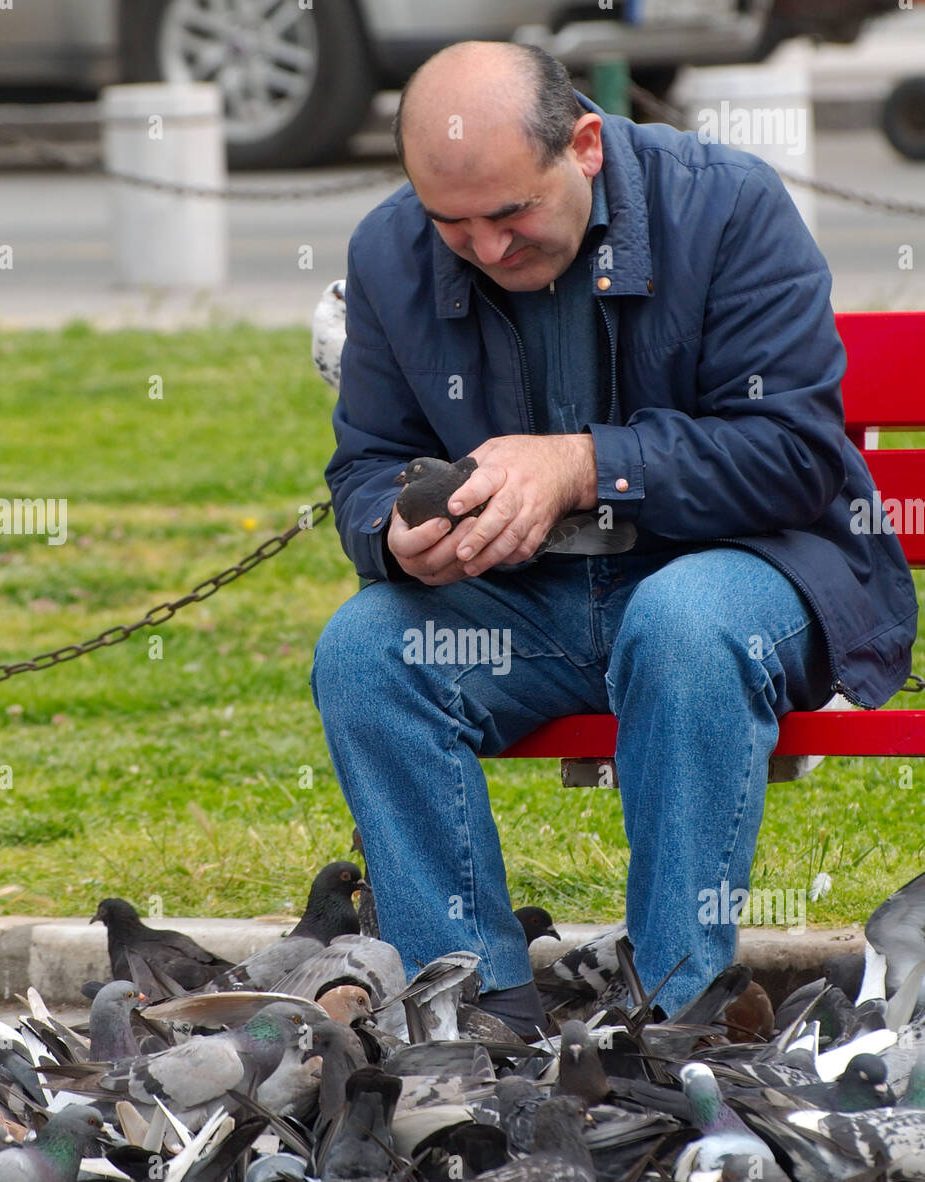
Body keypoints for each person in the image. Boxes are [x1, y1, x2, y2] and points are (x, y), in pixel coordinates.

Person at [311, 41, 916, 1037]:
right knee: (369, 647)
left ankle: (668, 1011)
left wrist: (583, 465)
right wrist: (398, 529)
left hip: (748, 577)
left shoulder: (723, 208)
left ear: (584, 144)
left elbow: (792, 458)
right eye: (449, 224)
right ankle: (473, 1013)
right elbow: (368, 469)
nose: (487, 251)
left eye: (510, 214)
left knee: (677, 623)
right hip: (532, 603)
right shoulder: (387, 250)